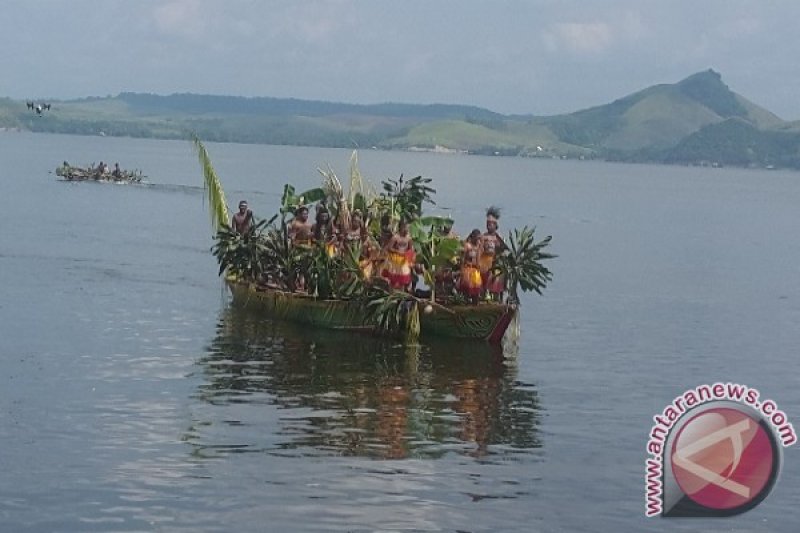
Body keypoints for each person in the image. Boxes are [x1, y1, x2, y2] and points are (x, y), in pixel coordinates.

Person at [479, 206, 507, 301]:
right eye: (487, 223)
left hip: (495, 262)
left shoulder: (499, 238)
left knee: (497, 279)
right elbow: (480, 250)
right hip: (485, 262)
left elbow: (504, 250)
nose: (489, 226)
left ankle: (498, 299)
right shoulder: (483, 237)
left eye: (491, 224)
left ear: (495, 225)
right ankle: (483, 298)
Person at [381, 218, 415, 290]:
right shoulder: (395, 237)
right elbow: (389, 248)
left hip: (404, 261)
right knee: (393, 280)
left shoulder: (409, 238)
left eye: (407, 227)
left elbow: (411, 249)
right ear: (401, 227)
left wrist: (411, 257)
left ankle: (401, 295)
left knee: (403, 279)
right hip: (395, 260)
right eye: (405, 227)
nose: (406, 229)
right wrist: (398, 252)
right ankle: (391, 294)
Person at [458, 229, 483, 304]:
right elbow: (463, 258)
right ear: (473, 236)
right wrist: (461, 270)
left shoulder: (478, 246)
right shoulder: (467, 245)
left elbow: (478, 259)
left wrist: (479, 268)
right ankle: (466, 303)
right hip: (468, 269)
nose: (478, 239)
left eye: (479, 238)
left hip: (475, 270)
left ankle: (475, 304)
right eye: (477, 237)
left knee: (476, 289)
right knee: (467, 289)